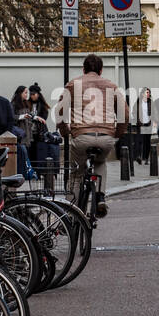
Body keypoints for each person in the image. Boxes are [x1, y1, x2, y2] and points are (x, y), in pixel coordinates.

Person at [55, 53, 129, 217]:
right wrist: (117, 133)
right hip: (105, 136)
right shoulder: (111, 86)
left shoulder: (73, 85)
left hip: (82, 135)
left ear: (83, 69)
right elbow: (125, 113)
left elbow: (60, 112)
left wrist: (65, 131)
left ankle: (70, 211)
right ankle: (100, 197)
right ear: (101, 71)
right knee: (101, 162)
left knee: (76, 172)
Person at [135, 87, 154, 164]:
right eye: (147, 92)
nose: (148, 94)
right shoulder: (138, 102)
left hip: (148, 124)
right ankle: (139, 156)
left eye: (149, 92)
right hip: (140, 124)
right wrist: (137, 120)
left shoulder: (151, 102)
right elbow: (134, 112)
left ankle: (146, 158)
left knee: (147, 141)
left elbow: (154, 112)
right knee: (140, 141)